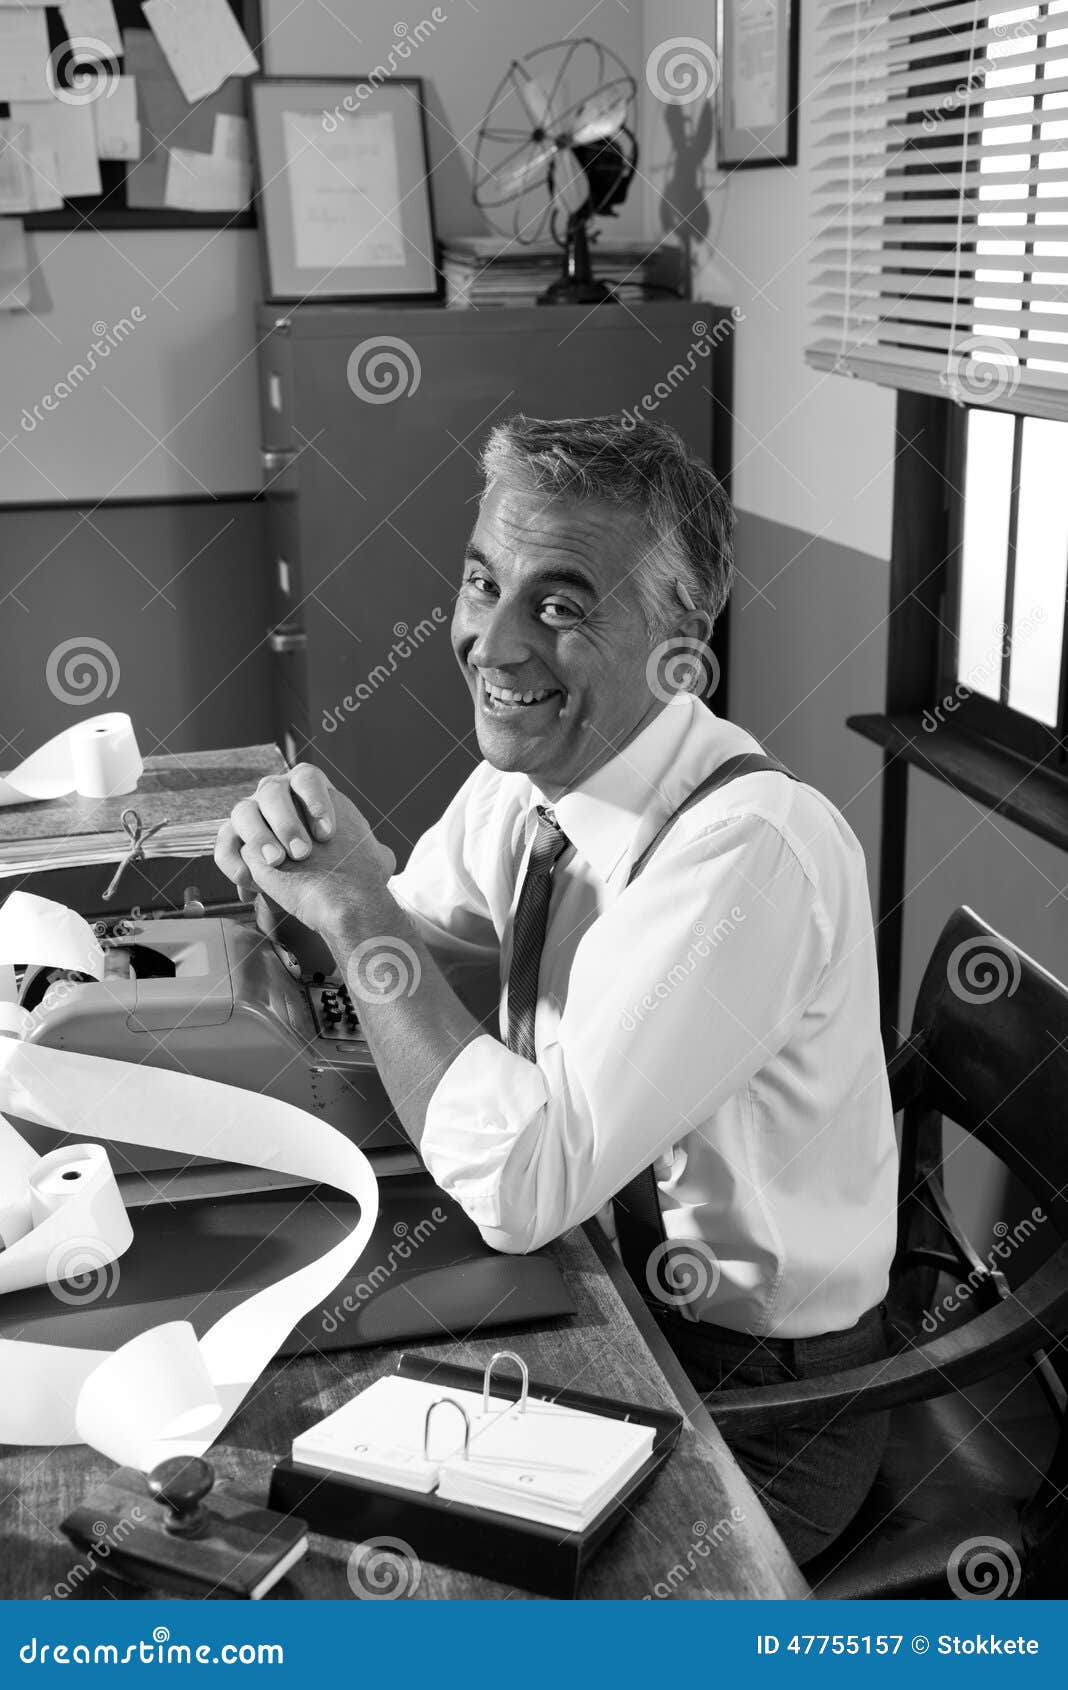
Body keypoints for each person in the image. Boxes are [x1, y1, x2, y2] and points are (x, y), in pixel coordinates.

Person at [215, 414, 899, 1565]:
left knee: (392, 1585)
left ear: (681, 645)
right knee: (283, 1468)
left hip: (760, 1399)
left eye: (564, 604)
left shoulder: (749, 852)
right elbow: (422, 979)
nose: (496, 642)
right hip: (603, 1288)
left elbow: (524, 1182)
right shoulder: (529, 780)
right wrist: (306, 894)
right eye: (485, 581)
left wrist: (360, 913)